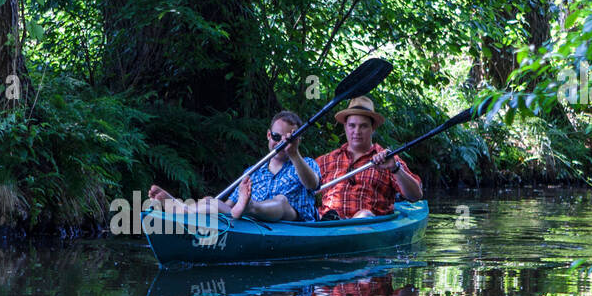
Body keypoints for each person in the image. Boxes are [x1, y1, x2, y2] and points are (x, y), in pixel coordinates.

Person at [148, 111, 321, 222]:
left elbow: (313, 184)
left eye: (288, 139)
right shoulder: (253, 172)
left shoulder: (305, 163)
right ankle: (182, 208)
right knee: (212, 201)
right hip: (249, 220)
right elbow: (230, 205)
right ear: (269, 135)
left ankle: (250, 207)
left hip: (292, 220)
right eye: (276, 137)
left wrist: (294, 153)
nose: (281, 144)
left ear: (297, 140)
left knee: (281, 201)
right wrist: (220, 207)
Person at [315, 96, 423, 219]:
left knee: (364, 215)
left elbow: (416, 195)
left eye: (363, 126)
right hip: (327, 225)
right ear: (345, 127)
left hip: (366, 227)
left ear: (373, 128)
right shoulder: (326, 160)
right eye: (352, 125)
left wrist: (395, 169)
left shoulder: (389, 159)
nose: (357, 131)